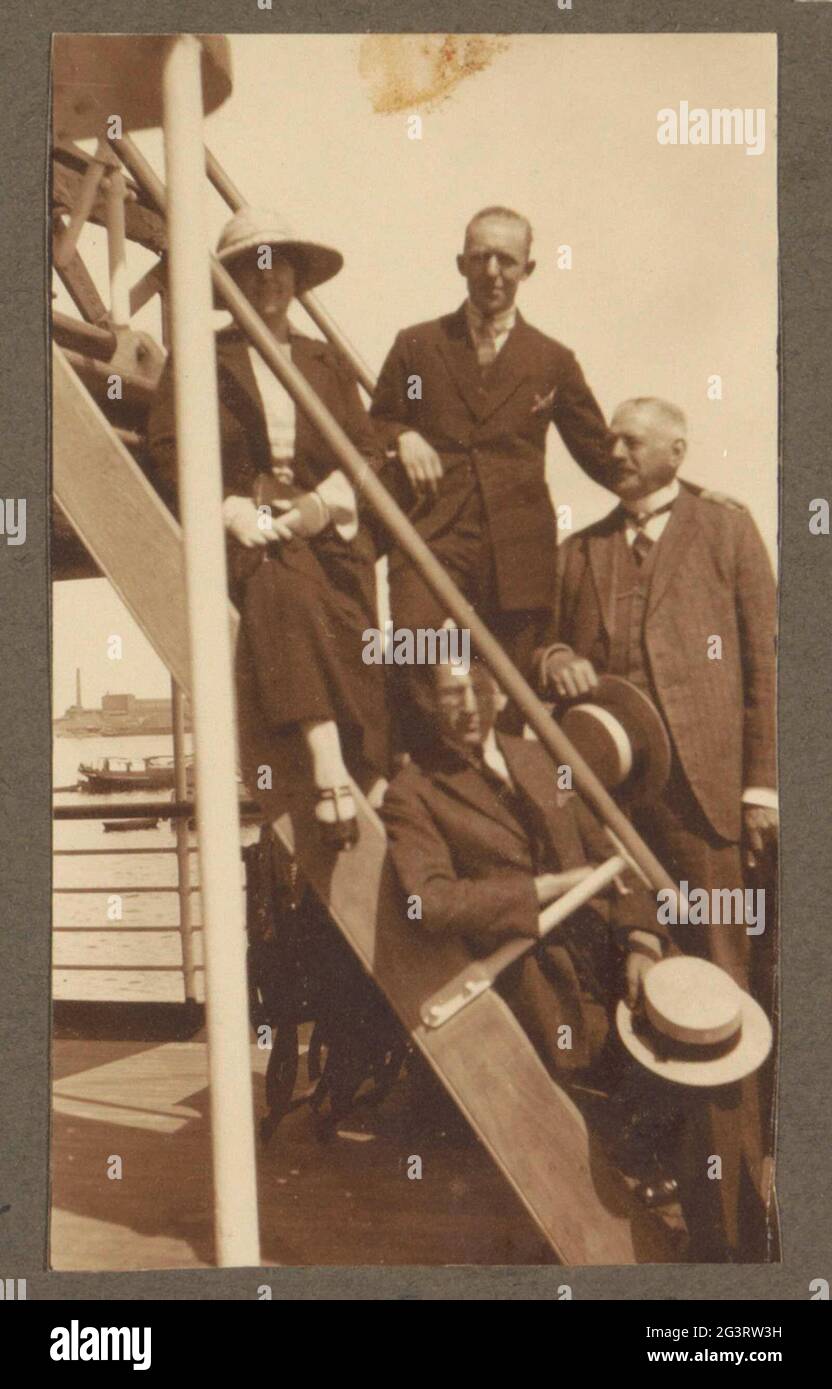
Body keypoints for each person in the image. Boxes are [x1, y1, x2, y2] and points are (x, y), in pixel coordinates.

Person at [535, 395, 778, 1260]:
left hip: (707, 810)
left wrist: (761, 790)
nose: (616, 449)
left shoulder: (726, 530)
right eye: (610, 440)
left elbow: (766, 663)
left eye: (633, 440)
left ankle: (737, 1222)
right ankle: (656, 1185)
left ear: (678, 449)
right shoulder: (582, 550)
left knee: (722, 992)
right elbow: (547, 648)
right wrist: (557, 657)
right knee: (636, 995)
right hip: (619, 817)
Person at [148, 207, 388, 849]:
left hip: (326, 535)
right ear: (229, 282)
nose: (267, 279)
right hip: (249, 532)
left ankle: (374, 778)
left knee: (342, 618)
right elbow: (169, 445)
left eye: (277, 264)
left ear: (295, 276)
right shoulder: (202, 357)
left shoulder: (323, 360)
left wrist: (317, 508)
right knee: (281, 589)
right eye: (250, 268)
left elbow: (367, 454)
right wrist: (228, 510)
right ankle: (327, 758)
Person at [380, 660, 670, 1087]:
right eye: (451, 694)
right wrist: (545, 888)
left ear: (499, 691)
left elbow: (613, 857)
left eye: (479, 689)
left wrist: (643, 941)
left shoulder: (545, 757)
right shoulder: (412, 791)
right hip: (532, 990)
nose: (469, 706)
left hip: (612, 960)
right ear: (428, 702)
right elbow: (430, 901)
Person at [370, 206, 613, 699]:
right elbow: (374, 421)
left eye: (506, 260)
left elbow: (601, 452)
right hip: (430, 535)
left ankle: (507, 774)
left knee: (515, 682)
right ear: (461, 263)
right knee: (414, 655)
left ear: (528, 269)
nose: (493, 273)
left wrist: (687, 494)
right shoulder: (418, 346)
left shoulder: (553, 361)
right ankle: (422, 777)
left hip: (518, 551)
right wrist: (401, 436)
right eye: (481, 258)